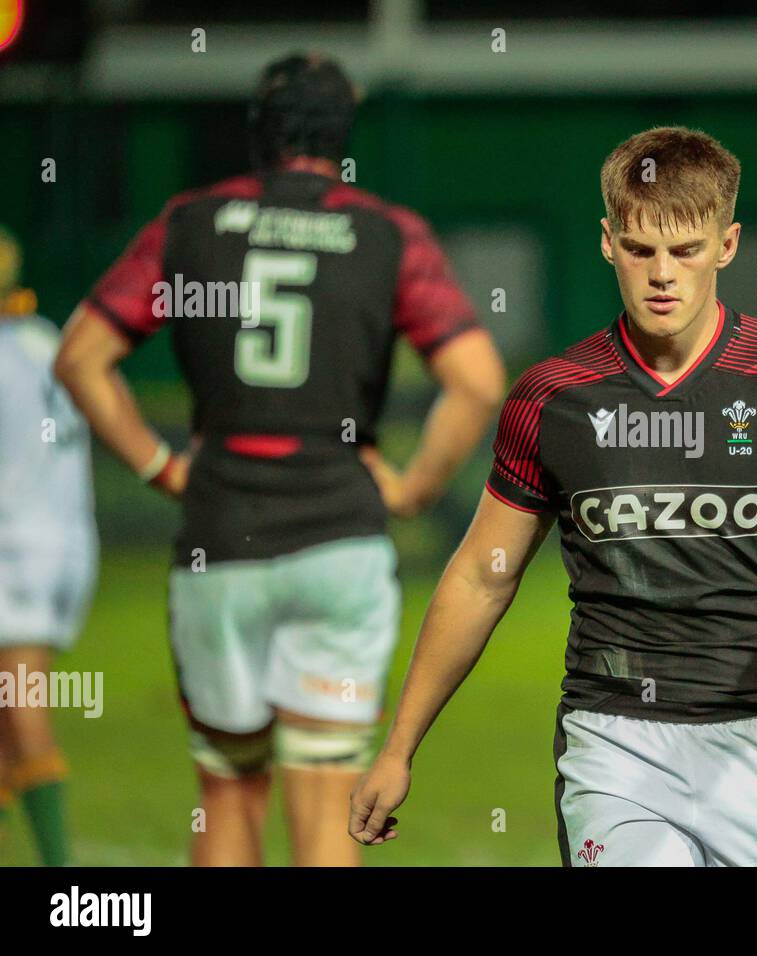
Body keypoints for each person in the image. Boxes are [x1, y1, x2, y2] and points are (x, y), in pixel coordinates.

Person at [350, 126, 757, 866]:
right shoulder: (552, 398)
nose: (663, 275)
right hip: (614, 744)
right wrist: (398, 746)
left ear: (728, 244)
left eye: (686, 251)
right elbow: (485, 575)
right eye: (641, 250)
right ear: (608, 243)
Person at [54, 53, 505, 866]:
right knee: (327, 794)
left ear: (258, 131)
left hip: (219, 535)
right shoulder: (386, 231)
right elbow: (475, 383)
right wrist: (410, 489)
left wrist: (162, 467)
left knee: (227, 793)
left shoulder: (188, 222)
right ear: (344, 134)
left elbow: (81, 357)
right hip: (339, 538)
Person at [0, 226, 98, 866]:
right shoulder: (51, 338)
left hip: (16, 552)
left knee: (22, 711)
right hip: (70, 547)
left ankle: (64, 881)